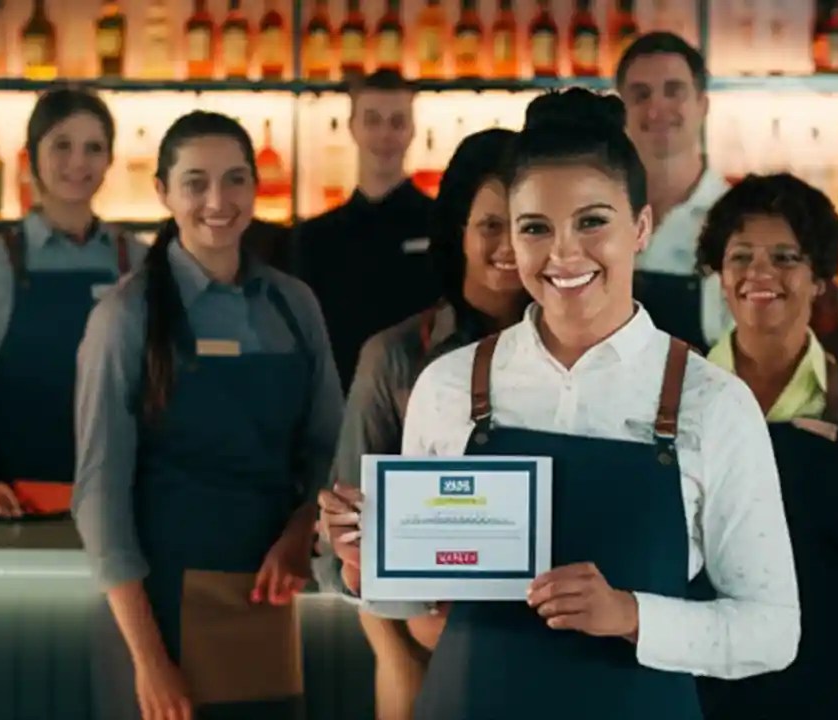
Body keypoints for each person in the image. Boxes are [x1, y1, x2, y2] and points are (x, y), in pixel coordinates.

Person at [320, 88, 800, 719]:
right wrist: (367, 559)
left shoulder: (712, 404)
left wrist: (632, 615)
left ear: (643, 227)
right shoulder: (449, 386)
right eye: (535, 228)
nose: (563, 253)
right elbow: (418, 606)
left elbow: (772, 632)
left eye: (592, 222)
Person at [73, 111, 343, 720]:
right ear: (163, 192)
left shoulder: (292, 304)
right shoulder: (125, 316)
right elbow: (99, 494)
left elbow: (329, 445)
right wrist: (149, 660)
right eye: (195, 182)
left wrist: (302, 532)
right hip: (156, 613)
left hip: (265, 600)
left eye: (235, 179)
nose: (217, 201)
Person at [692, 173, 838, 719]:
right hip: (706, 686)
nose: (760, 274)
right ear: (719, 273)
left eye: (785, 257)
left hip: (831, 685)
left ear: (821, 278)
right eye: (741, 256)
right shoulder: (678, 400)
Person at [314, 127, 528, 720]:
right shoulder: (398, 356)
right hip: (430, 665)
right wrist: (397, 647)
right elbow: (341, 550)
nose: (510, 243)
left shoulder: (580, 358)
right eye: (491, 224)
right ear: (458, 228)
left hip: (553, 657)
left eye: (528, 223)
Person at [0, 87, 146, 519]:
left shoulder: (141, 264)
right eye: (62, 146)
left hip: (119, 512)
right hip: (12, 513)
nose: (78, 162)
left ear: (110, 160)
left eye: (94, 148)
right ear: (31, 157)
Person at [293, 69, 439, 394]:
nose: (385, 134)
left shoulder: (443, 227)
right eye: (372, 120)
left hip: (426, 404)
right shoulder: (314, 239)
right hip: (338, 407)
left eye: (397, 122)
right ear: (352, 128)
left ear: (413, 130)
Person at [616, 32, 731, 352]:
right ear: (621, 109)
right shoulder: (597, 216)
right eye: (641, 95)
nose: (656, 110)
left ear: (702, 104)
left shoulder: (737, 220)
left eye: (673, 92)